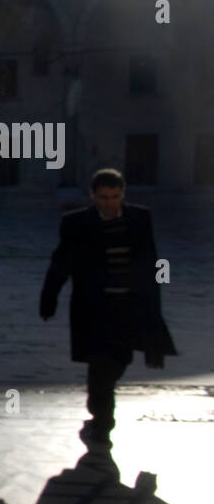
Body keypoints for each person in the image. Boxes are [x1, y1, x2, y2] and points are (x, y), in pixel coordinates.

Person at [39, 168, 178, 450]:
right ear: (93, 196)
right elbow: (61, 262)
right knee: (101, 366)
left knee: (119, 361)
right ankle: (103, 423)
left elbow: (150, 264)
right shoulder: (77, 223)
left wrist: (154, 311)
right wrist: (49, 297)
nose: (109, 203)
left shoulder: (139, 219)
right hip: (94, 310)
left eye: (115, 196)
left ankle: (98, 409)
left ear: (122, 194)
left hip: (129, 308)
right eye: (103, 197)